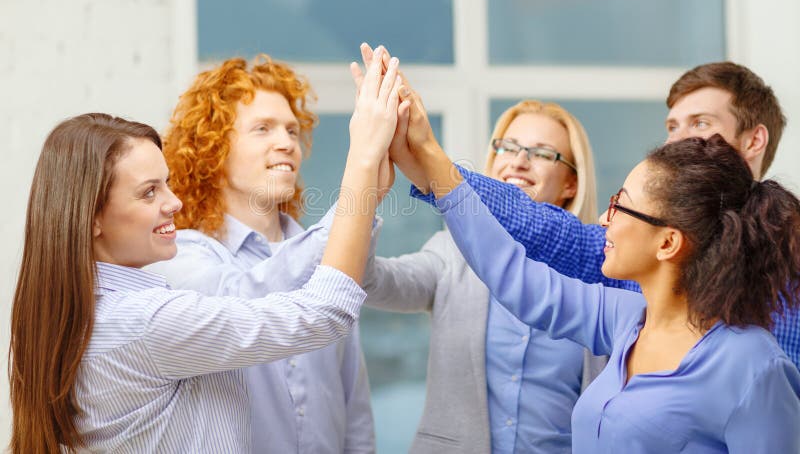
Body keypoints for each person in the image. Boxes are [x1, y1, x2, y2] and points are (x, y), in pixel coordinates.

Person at [7, 51, 401, 452]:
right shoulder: (153, 309)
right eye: (149, 192)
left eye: (292, 130)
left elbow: (353, 402)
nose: (173, 203)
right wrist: (363, 168)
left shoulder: (111, 309)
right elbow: (314, 311)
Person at [393, 88, 800, 452]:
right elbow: (513, 274)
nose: (605, 219)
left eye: (620, 205)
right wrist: (426, 159)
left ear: (667, 242)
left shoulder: (753, 367)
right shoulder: (626, 319)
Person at [148, 54, 375, 453]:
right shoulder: (182, 259)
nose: (286, 143)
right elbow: (244, 299)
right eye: (262, 129)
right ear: (213, 150)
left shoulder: (327, 259)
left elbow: (354, 407)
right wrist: (361, 184)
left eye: (291, 130)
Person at [360, 89, 605, 453]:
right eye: (508, 147)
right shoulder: (452, 251)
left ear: (571, 183)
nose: (519, 161)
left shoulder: (598, 272)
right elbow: (370, 281)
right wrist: (366, 186)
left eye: (541, 153)